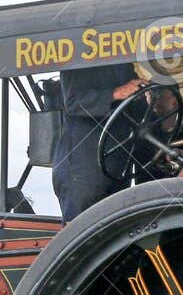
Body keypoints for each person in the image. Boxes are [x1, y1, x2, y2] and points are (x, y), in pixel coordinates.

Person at [52, 62, 141, 222]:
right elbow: (73, 102)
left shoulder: (122, 59)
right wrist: (115, 93)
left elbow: (133, 97)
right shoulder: (75, 53)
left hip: (116, 168)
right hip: (83, 171)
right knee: (84, 235)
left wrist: (147, 94)